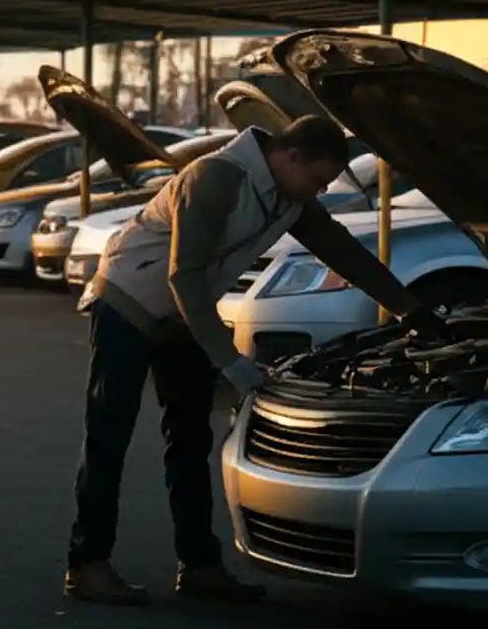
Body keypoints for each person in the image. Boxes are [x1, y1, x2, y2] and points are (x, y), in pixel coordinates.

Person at [64, 115, 445, 605]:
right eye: (317, 179)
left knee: (190, 440)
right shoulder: (216, 177)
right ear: (290, 157)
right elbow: (185, 276)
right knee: (109, 435)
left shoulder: (290, 197)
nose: (319, 191)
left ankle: (200, 567)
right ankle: (87, 564)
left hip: (185, 316)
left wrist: (411, 310)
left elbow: (344, 252)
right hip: (128, 304)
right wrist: (231, 362)